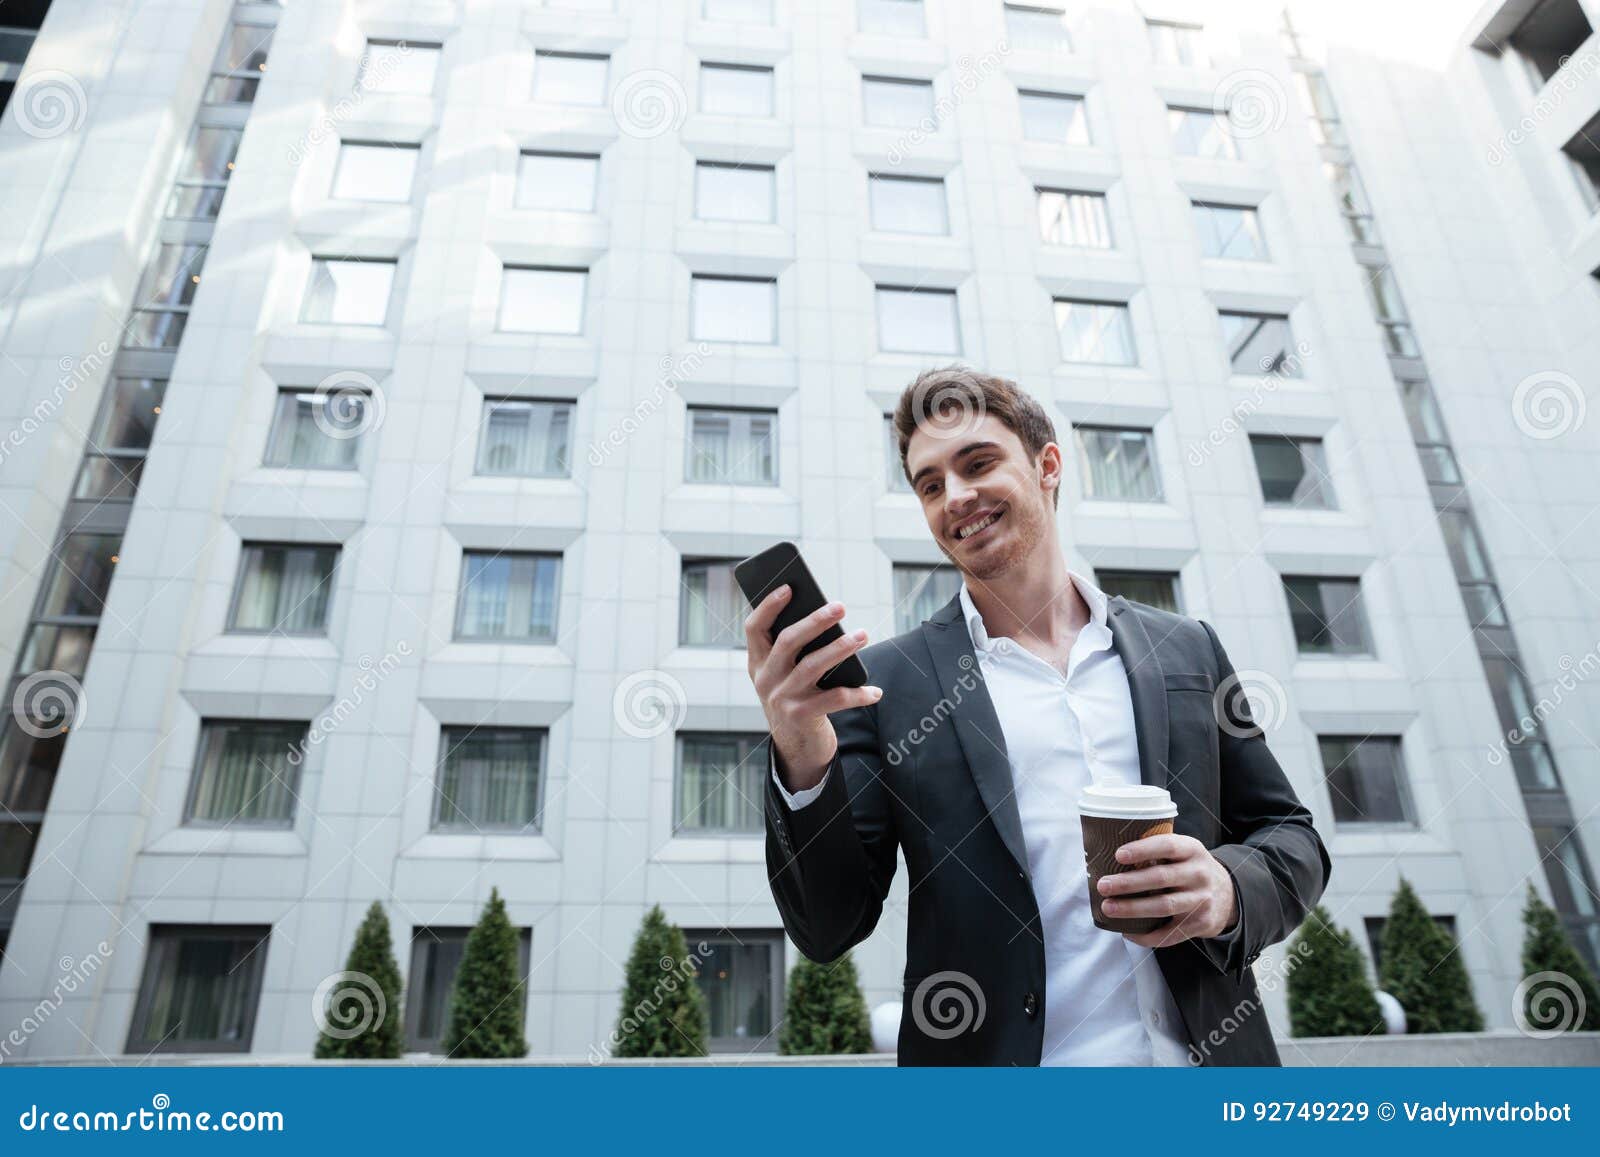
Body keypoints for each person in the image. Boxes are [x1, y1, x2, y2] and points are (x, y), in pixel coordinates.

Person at [744, 367, 1330, 1065]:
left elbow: (1291, 837)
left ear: (1048, 465)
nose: (955, 496)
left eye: (977, 463)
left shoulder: (1186, 649)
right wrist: (802, 749)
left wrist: (1228, 889)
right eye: (930, 485)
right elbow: (828, 926)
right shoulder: (886, 685)